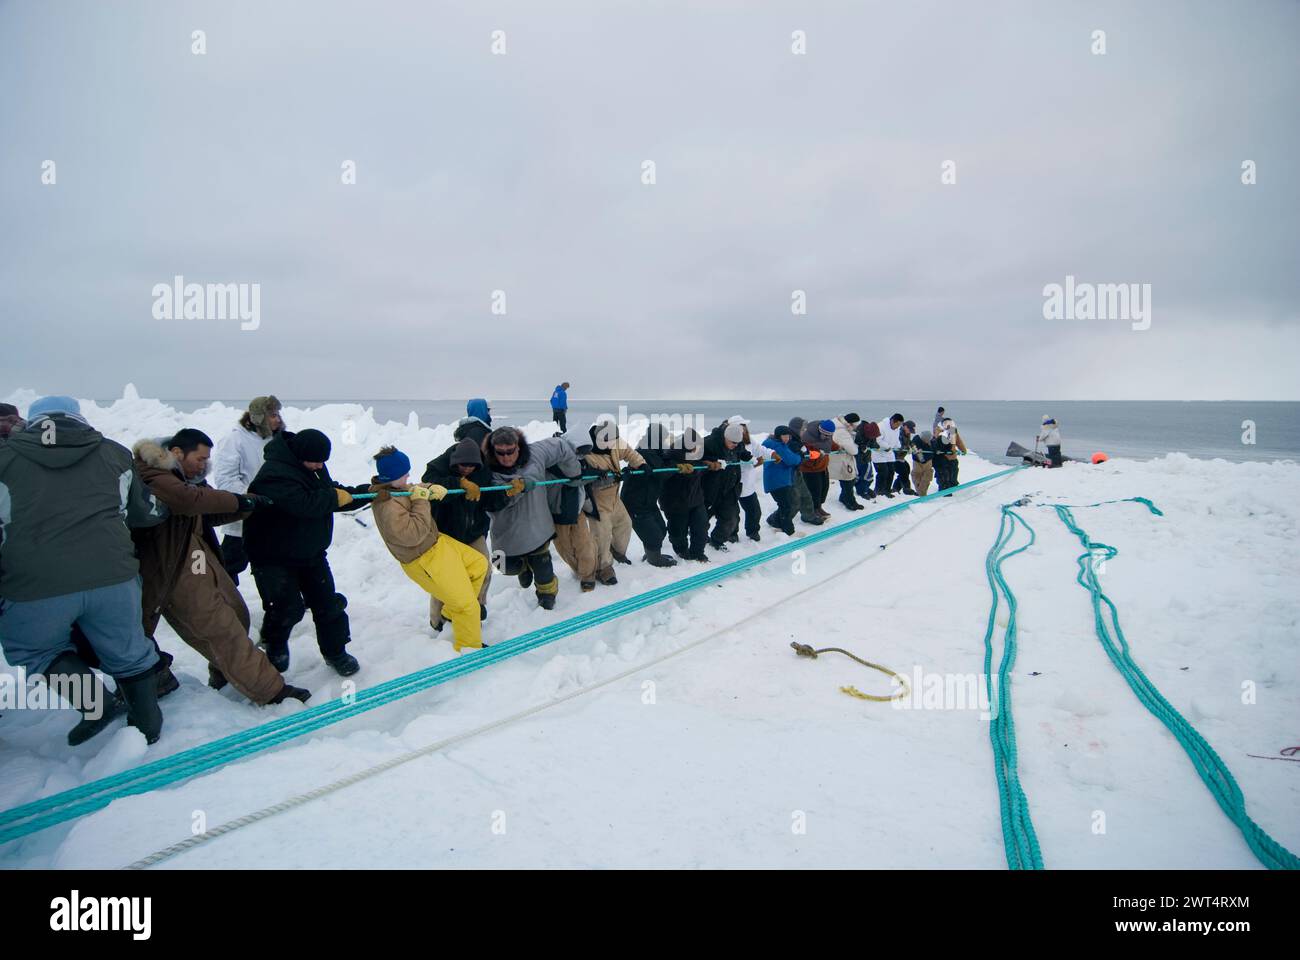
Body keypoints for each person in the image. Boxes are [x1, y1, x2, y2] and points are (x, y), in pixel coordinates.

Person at [0, 396, 164, 745]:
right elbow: (144, 512)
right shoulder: (114, 454)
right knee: (129, 652)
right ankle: (148, 729)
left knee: (37, 650)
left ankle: (96, 703)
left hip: (36, 583)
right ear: (78, 418)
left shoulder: (5, 460)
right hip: (114, 577)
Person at [132, 430, 308, 705]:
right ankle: (271, 691)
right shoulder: (153, 475)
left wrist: (251, 505)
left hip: (200, 558)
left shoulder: (186, 480)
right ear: (177, 453)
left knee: (237, 615)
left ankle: (226, 672)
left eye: (207, 460)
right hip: (173, 568)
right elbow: (189, 502)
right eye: (200, 458)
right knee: (220, 629)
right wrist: (240, 500)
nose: (204, 465)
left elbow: (211, 508)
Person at [244, 428, 369, 676]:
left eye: (323, 461)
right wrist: (336, 497)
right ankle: (274, 641)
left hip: (310, 552)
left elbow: (331, 491)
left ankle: (336, 652)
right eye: (315, 461)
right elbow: (306, 504)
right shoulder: (273, 474)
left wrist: (369, 492)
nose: (319, 466)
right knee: (287, 607)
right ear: (299, 455)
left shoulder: (314, 466)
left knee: (327, 605)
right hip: (273, 556)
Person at [368, 446, 489, 652]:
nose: (408, 476)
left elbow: (415, 488)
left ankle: (450, 612)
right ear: (393, 475)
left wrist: (430, 487)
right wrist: (421, 500)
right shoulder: (386, 504)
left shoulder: (397, 488)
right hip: (422, 558)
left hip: (437, 542)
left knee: (479, 564)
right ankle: (470, 648)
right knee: (468, 605)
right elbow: (412, 535)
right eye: (404, 473)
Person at [480, 426, 581, 609]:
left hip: (537, 528)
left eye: (510, 451)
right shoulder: (486, 472)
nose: (506, 457)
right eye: (500, 453)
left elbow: (561, 447)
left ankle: (547, 595)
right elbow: (491, 503)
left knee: (542, 564)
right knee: (500, 567)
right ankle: (523, 567)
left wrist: (573, 474)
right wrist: (512, 491)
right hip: (505, 534)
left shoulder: (536, 453)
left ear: (518, 446)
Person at [421, 438, 494, 632]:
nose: (467, 469)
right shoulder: (437, 467)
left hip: (473, 530)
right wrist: (458, 483)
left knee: (484, 569)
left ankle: (475, 608)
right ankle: (437, 621)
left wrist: (508, 493)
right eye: (463, 465)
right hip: (445, 533)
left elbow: (490, 501)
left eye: (472, 466)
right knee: (445, 579)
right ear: (455, 462)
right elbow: (429, 488)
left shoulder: (484, 470)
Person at [212, 395, 282, 585]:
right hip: (245, 514)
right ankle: (222, 597)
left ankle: (285, 599)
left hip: (276, 512)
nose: (277, 419)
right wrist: (253, 499)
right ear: (259, 418)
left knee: (277, 561)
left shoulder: (279, 440)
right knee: (231, 562)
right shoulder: (235, 440)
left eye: (278, 415)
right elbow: (225, 478)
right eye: (272, 415)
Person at [584, 418, 646, 583]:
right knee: (601, 535)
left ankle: (617, 552)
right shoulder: (586, 453)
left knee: (625, 524)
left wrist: (640, 464)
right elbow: (586, 479)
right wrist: (618, 477)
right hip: (597, 501)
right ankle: (603, 568)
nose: (614, 444)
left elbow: (629, 452)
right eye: (610, 442)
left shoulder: (614, 441)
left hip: (614, 498)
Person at [549, 431, 600, 592]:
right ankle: (578, 569)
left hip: (577, 511)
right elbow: (575, 478)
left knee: (584, 543)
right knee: (565, 548)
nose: (582, 455)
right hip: (557, 513)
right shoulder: (552, 461)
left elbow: (582, 481)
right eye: (580, 451)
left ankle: (588, 575)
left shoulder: (582, 461)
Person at [622, 422, 677, 566]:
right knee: (653, 534)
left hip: (648, 499)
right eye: (664, 438)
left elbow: (663, 461)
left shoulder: (655, 449)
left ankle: (651, 554)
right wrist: (675, 464)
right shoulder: (645, 451)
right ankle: (654, 559)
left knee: (660, 528)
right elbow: (662, 473)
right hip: (635, 502)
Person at [659, 427, 717, 561]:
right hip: (676, 502)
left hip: (696, 498)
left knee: (701, 527)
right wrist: (677, 468)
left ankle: (698, 553)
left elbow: (699, 465)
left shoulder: (697, 453)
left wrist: (708, 465)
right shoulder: (671, 454)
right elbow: (662, 472)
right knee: (678, 531)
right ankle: (682, 551)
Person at [701, 419, 751, 550]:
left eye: (737, 443)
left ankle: (717, 541)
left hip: (730, 487)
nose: (735, 445)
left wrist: (750, 458)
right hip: (710, 488)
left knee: (731, 518)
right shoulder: (709, 443)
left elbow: (742, 452)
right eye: (732, 442)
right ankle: (700, 539)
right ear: (725, 437)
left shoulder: (738, 444)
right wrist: (709, 464)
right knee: (702, 518)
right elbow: (695, 459)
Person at [762, 425, 803, 535]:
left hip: (776, 479)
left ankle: (775, 522)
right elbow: (791, 460)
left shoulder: (771, 443)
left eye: (788, 436)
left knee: (784, 504)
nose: (787, 439)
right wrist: (799, 456)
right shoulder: (778, 446)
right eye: (784, 436)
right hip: (779, 481)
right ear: (778, 436)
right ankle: (789, 531)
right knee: (786, 506)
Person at [734, 419, 765, 542]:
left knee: (754, 510)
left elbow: (760, 450)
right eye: (740, 427)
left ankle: (753, 531)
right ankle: (732, 534)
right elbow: (734, 463)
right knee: (732, 513)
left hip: (748, 485)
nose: (743, 430)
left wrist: (772, 454)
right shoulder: (731, 442)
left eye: (744, 427)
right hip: (733, 483)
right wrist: (753, 463)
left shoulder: (750, 440)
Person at [786, 417, 821, 525]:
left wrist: (812, 454)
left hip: (797, 472)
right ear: (796, 430)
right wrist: (806, 455)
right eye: (802, 430)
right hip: (789, 474)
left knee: (805, 495)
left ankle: (808, 516)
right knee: (794, 500)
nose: (804, 431)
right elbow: (794, 458)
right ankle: (778, 519)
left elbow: (804, 453)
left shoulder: (798, 440)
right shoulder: (790, 442)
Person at [798, 419, 835, 521]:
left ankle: (818, 507)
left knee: (823, 488)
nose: (827, 437)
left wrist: (837, 447)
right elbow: (805, 453)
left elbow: (830, 443)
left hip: (822, 466)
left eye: (829, 435)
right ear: (819, 430)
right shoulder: (807, 436)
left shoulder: (828, 435)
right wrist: (817, 455)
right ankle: (812, 510)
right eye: (825, 435)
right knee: (814, 490)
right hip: (811, 469)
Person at [830, 415, 863, 510]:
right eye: (856, 425)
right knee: (848, 480)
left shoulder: (838, 425)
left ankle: (845, 497)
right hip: (841, 460)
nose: (856, 428)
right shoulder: (842, 431)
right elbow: (853, 450)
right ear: (851, 424)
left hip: (839, 458)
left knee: (847, 480)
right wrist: (855, 446)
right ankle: (849, 500)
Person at [873, 414, 906, 499]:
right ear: (892, 421)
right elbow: (878, 440)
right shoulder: (881, 426)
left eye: (900, 425)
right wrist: (886, 447)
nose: (898, 427)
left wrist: (898, 446)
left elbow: (896, 439)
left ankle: (886, 490)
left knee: (891, 472)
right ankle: (879, 491)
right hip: (879, 453)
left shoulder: (897, 428)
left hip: (889, 453)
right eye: (897, 424)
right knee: (883, 472)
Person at [932, 417, 968, 492]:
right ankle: (943, 488)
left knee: (954, 471)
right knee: (943, 474)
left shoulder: (953, 431)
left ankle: (953, 485)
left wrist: (963, 450)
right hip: (942, 457)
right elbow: (936, 443)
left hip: (953, 457)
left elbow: (958, 441)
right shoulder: (939, 431)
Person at [853, 418, 880, 502]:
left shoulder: (872, 430)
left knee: (869, 476)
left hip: (867, 456)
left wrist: (875, 445)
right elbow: (854, 443)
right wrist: (861, 447)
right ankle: (861, 491)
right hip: (857, 457)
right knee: (860, 475)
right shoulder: (858, 431)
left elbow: (873, 442)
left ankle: (866, 488)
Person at [892, 421, 918, 495]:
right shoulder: (898, 433)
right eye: (909, 430)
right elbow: (898, 445)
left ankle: (895, 488)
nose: (910, 432)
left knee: (906, 469)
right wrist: (907, 448)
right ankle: (907, 489)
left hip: (901, 457)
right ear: (905, 426)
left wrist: (913, 447)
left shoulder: (907, 433)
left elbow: (909, 441)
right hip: (894, 457)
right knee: (903, 472)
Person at [909, 428, 936, 496]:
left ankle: (922, 493)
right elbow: (915, 451)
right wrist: (921, 458)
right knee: (917, 476)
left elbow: (934, 448)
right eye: (926, 440)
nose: (927, 442)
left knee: (927, 477)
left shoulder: (932, 441)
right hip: (917, 461)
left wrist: (936, 450)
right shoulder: (916, 440)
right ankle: (920, 493)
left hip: (928, 461)